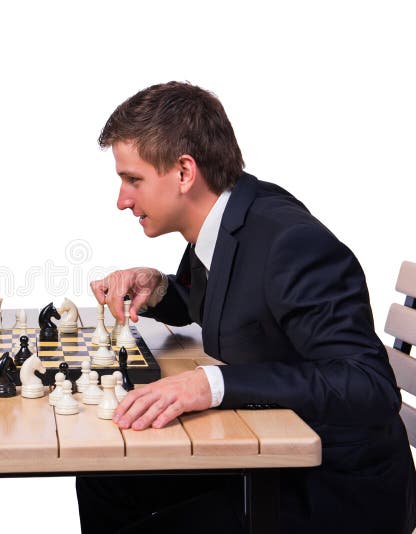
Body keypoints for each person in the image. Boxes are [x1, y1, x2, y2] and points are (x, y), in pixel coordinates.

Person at [79, 81, 416, 533]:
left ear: (184, 172)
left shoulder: (290, 242)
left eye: (132, 179)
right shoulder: (229, 217)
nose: (122, 200)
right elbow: (232, 305)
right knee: (104, 477)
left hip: (334, 486)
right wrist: (159, 288)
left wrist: (211, 384)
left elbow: (368, 383)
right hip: (271, 455)